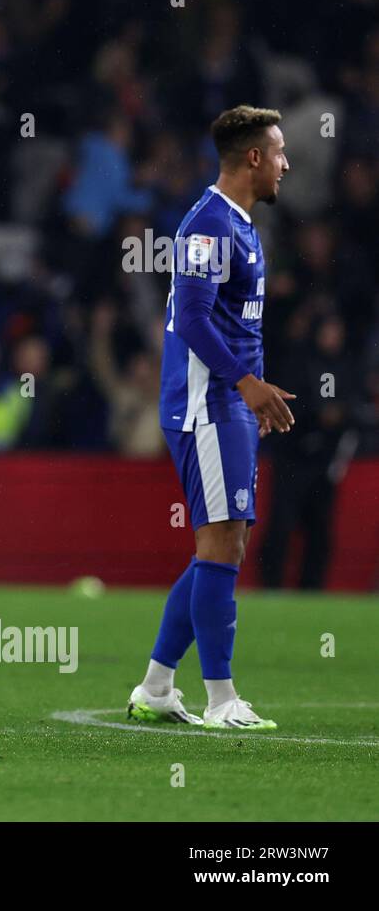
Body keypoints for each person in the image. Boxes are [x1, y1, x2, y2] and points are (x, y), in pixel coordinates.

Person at [128, 105, 292, 730]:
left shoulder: (242, 225)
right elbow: (192, 319)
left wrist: (251, 390)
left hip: (228, 403)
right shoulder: (207, 226)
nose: (286, 164)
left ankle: (157, 686)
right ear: (253, 157)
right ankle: (222, 700)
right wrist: (247, 386)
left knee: (221, 546)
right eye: (278, 153)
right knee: (221, 541)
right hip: (207, 404)